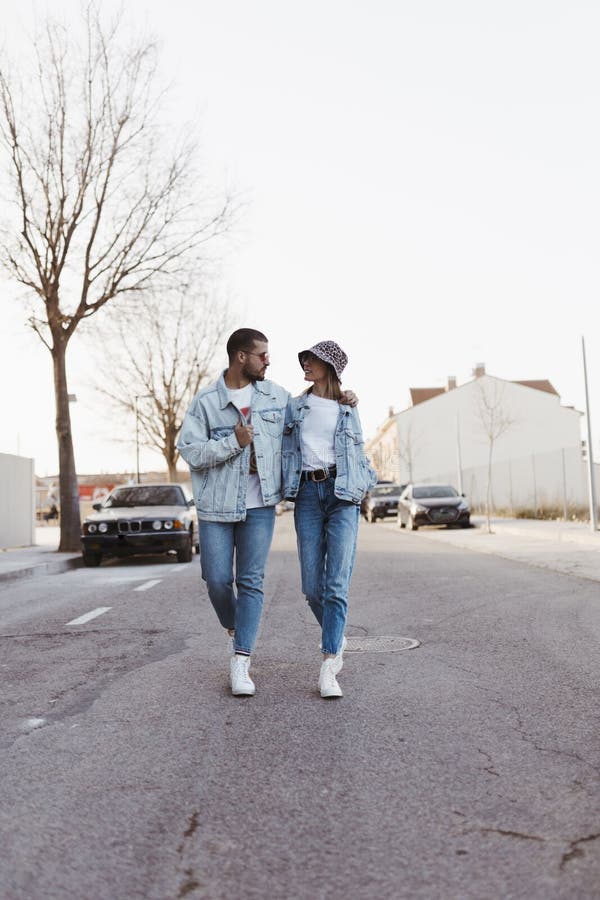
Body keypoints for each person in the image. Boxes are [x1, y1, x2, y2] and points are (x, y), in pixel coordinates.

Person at [177, 328, 357, 697]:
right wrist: (233, 442)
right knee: (216, 580)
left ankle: (241, 659)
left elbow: (314, 413)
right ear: (241, 357)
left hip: (260, 504)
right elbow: (190, 451)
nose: (269, 361)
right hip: (216, 506)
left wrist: (346, 397)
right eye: (262, 355)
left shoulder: (278, 397)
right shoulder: (206, 401)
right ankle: (235, 627)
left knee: (251, 582)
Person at [282, 340, 377, 698]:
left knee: (335, 586)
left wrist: (363, 487)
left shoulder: (347, 408)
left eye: (313, 359)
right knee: (312, 589)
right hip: (307, 493)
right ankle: (336, 636)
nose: (306, 364)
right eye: (304, 359)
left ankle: (329, 665)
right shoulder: (294, 407)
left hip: (342, 495)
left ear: (331, 367)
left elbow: (359, 452)